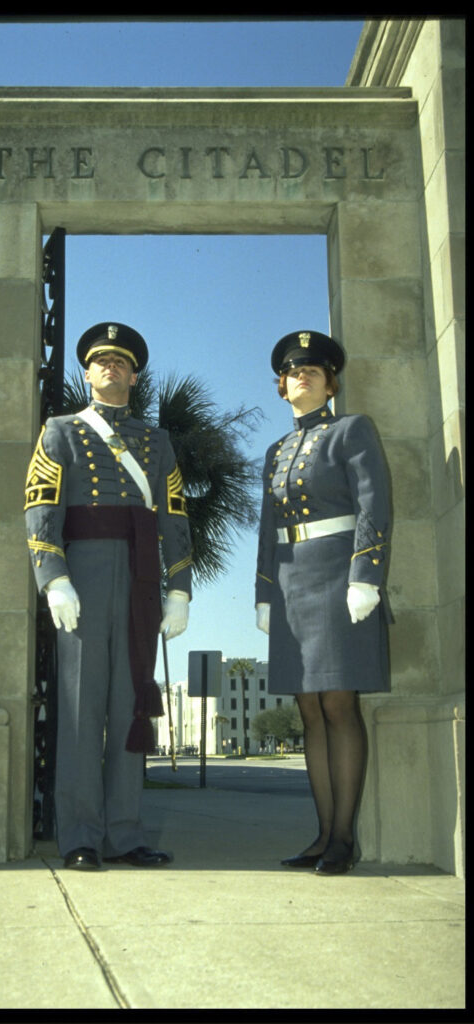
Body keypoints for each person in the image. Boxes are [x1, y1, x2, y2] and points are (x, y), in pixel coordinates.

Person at [24, 322, 193, 871]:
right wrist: (54, 577)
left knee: (129, 704)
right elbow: (40, 506)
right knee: (79, 706)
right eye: (100, 360)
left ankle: (124, 833)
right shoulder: (61, 430)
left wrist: (180, 588)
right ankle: (78, 836)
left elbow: (174, 514)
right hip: (85, 575)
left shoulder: (155, 439)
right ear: (87, 372)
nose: (110, 367)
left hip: (141, 577)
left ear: (135, 374)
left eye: (120, 361)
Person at [255, 330, 392, 874]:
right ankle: (320, 835)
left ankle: (344, 838)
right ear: (282, 385)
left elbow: (373, 503)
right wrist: (265, 594)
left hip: (339, 576)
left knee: (338, 703)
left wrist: (367, 575)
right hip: (291, 584)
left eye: (314, 369)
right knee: (308, 709)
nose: (302, 375)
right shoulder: (277, 450)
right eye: (293, 371)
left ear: (331, 382)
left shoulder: (352, 430)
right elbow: (268, 529)